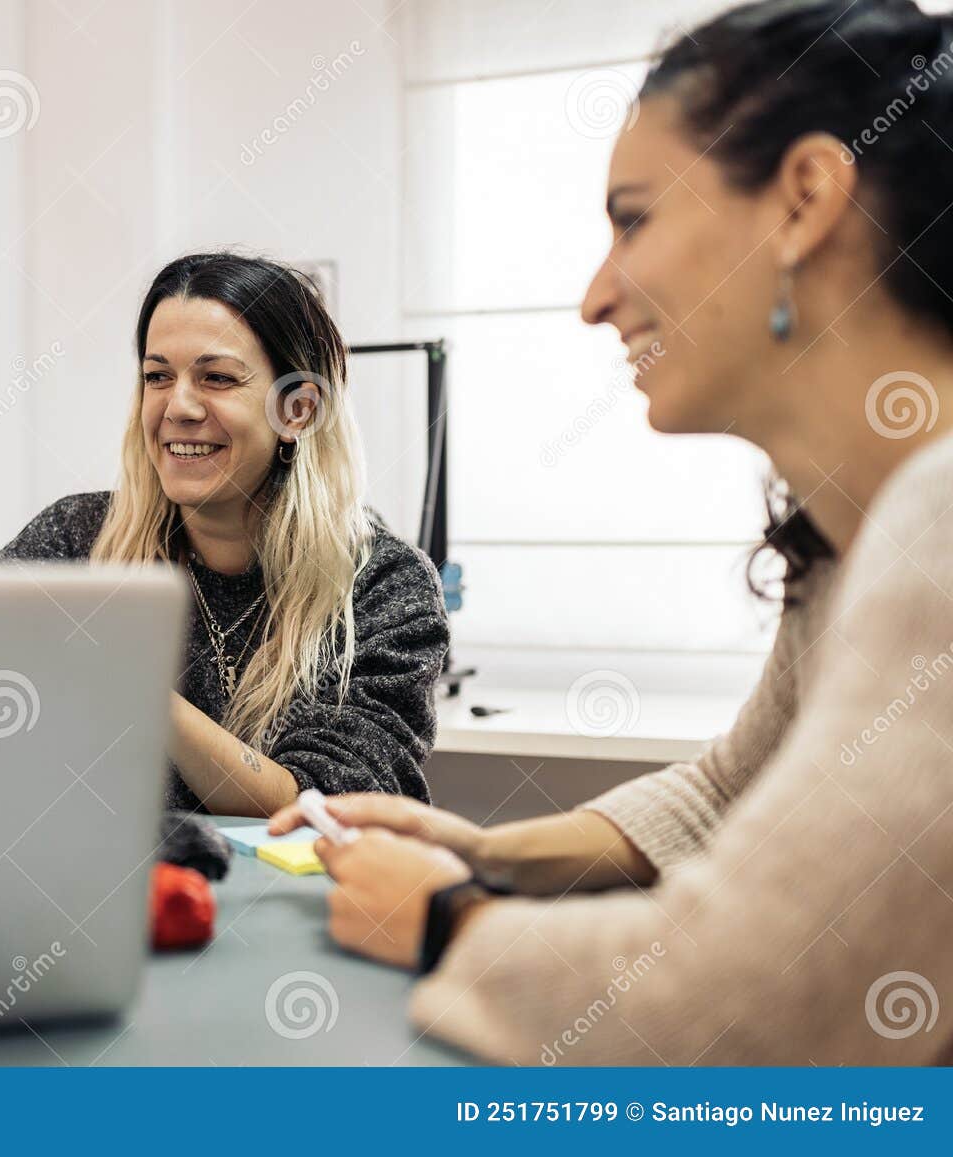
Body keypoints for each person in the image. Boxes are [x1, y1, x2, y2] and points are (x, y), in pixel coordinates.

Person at [271, 0, 953, 1063]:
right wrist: (486, 852)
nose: (594, 299)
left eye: (632, 219)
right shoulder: (854, 545)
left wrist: (448, 920)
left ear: (805, 198)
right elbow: (734, 787)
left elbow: (751, 1001)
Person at [0, 253, 448, 817]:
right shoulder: (73, 541)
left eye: (217, 378)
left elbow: (318, 810)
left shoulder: (380, 585)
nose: (178, 406)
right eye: (157, 376)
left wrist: (134, 687)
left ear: (298, 410)